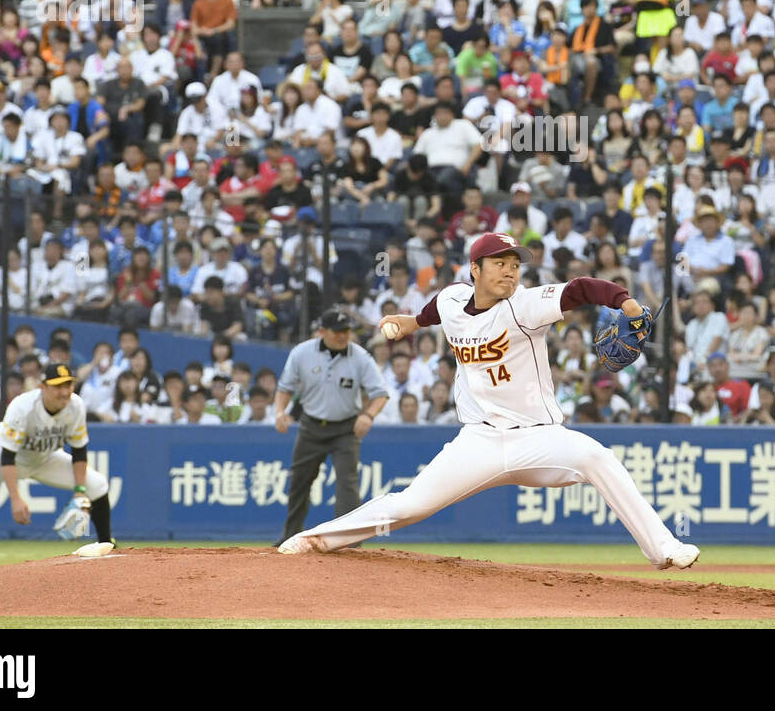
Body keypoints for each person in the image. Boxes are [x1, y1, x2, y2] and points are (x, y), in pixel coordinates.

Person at [280, 232, 701, 570]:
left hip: (539, 438)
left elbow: (580, 288)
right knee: (410, 504)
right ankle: (313, 539)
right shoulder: (451, 298)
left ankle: (664, 548)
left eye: (515, 265)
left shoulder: (524, 306)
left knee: (599, 459)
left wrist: (625, 303)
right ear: (475, 270)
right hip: (478, 440)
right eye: (500, 263)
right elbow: (438, 311)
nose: (510, 271)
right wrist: (410, 322)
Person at [0, 362, 115, 561]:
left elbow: (79, 451)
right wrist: (16, 498)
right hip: (3, 453)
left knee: (97, 484)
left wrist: (80, 492)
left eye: (68, 385)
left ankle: (108, 544)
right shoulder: (23, 406)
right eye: (58, 386)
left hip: (44, 457)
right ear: (42, 387)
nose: (64, 392)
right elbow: (8, 456)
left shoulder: (75, 405)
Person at [275, 308, 390, 544]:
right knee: (299, 480)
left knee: (347, 483)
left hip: (345, 429)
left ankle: (348, 541)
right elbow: (285, 387)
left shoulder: (360, 357)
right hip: (311, 426)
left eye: (346, 330)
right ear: (321, 332)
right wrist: (280, 412)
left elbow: (380, 394)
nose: (343, 335)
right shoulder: (301, 353)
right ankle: (290, 535)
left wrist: (368, 415)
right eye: (337, 331)